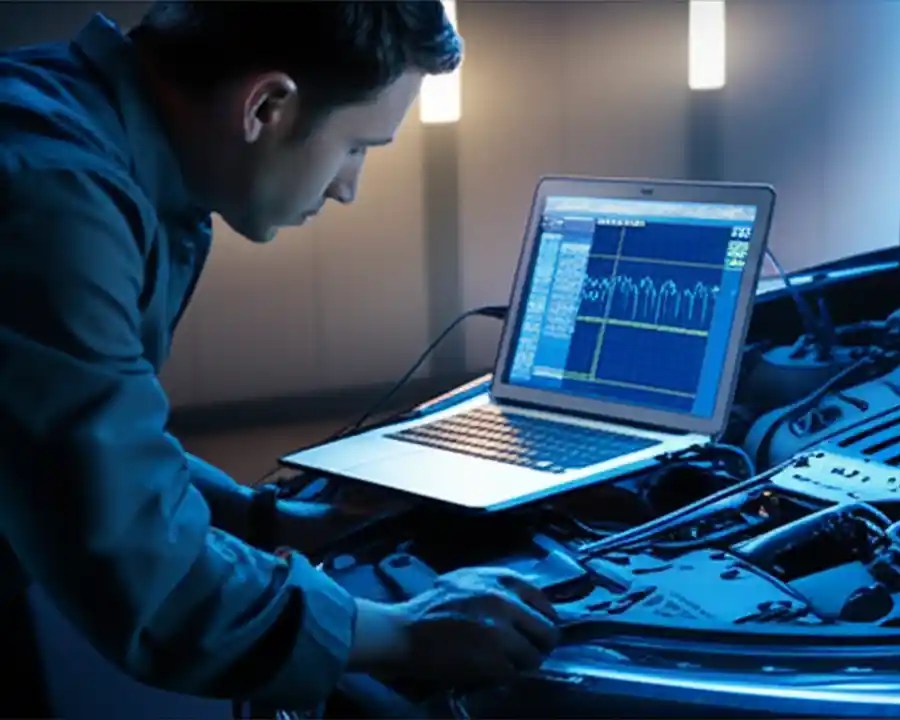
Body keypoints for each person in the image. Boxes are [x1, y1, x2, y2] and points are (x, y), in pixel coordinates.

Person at [0, 1, 559, 715]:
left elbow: (87, 451)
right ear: (266, 105)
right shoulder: (53, 201)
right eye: (358, 146)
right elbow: (139, 569)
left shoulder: (74, 127)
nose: (347, 188)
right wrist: (402, 632)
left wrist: (267, 521)